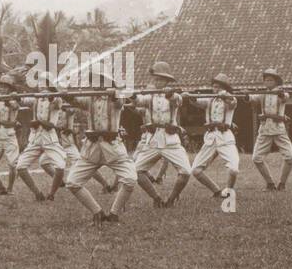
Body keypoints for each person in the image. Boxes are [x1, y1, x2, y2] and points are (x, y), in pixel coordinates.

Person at [65, 63, 138, 223]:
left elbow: (120, 101)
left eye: (100, 80)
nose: (96, 84)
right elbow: (75, 101)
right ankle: (97, 213)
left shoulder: (117, 97)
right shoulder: (89, 98)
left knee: (130, 179)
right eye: (94, 81)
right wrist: (63, 93)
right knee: (72, 182)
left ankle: (114, 214)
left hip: (113, 147)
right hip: (91, 149)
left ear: (108, 82)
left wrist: (113, 93)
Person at [131, 61, 193, 207]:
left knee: (185, 172)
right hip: (152, 140)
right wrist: (132, 95)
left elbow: (177, 100)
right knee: (136, 172)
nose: (157, 82)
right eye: (156, 79)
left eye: (161, 79)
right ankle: (156, 198)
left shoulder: (175, 95)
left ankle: (171, 199)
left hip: (170, 139)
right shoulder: (150, 95)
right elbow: (139, 101)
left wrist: (170, 94)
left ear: (167, 81)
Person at [15, 73, 68, 202]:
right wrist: (15, 96)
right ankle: (37, 193)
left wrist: (51, 96)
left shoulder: (56, 99)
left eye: (44, 83)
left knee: (60, 167)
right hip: (35, 138)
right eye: (39, 83)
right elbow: (23, 100)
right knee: (20, 167)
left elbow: (56, 101)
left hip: (50, 139)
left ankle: (51, 194)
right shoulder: (36, 98)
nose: (41, 86)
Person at [188, 73, 240, 200]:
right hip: (211, 138)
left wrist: (225, 96)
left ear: (225, 88)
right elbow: (196, 102)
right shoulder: (209, 99)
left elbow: (232, 103)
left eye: (219, 87)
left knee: (233, 169)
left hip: (225, 137)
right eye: (214, 87)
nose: (216, 90)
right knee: (196, 170)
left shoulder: (231, 99)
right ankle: (216, 191)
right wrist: (190, 95)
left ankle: (229, 192)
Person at [250, 67, 292, 191]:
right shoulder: (262, 94)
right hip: (264, 129)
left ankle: (282, 183)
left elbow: (285, 97)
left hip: (279, 129)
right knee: (256, 158)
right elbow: (252, 99)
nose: (268, 82)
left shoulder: (282, 93)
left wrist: (280, 93)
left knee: (290, 157)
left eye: (271, 80)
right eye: (266, 80)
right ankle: (270, 183)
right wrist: (246, 94)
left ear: (276, 81)